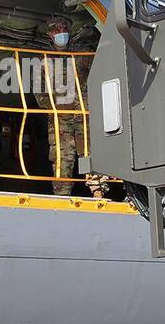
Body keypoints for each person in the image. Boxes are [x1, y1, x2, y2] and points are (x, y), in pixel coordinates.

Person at [35, 17, 109, 197]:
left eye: (64, 29)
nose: (61, 33)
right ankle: (62, 194)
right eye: (56, 30)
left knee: (90, 153)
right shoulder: (43, 61)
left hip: (83, 114)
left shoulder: (82, 54)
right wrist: (55, 106)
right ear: (49, 34)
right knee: (62, 158)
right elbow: (39, 93)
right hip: (60, 119)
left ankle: (98, 191)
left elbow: (98, 75)